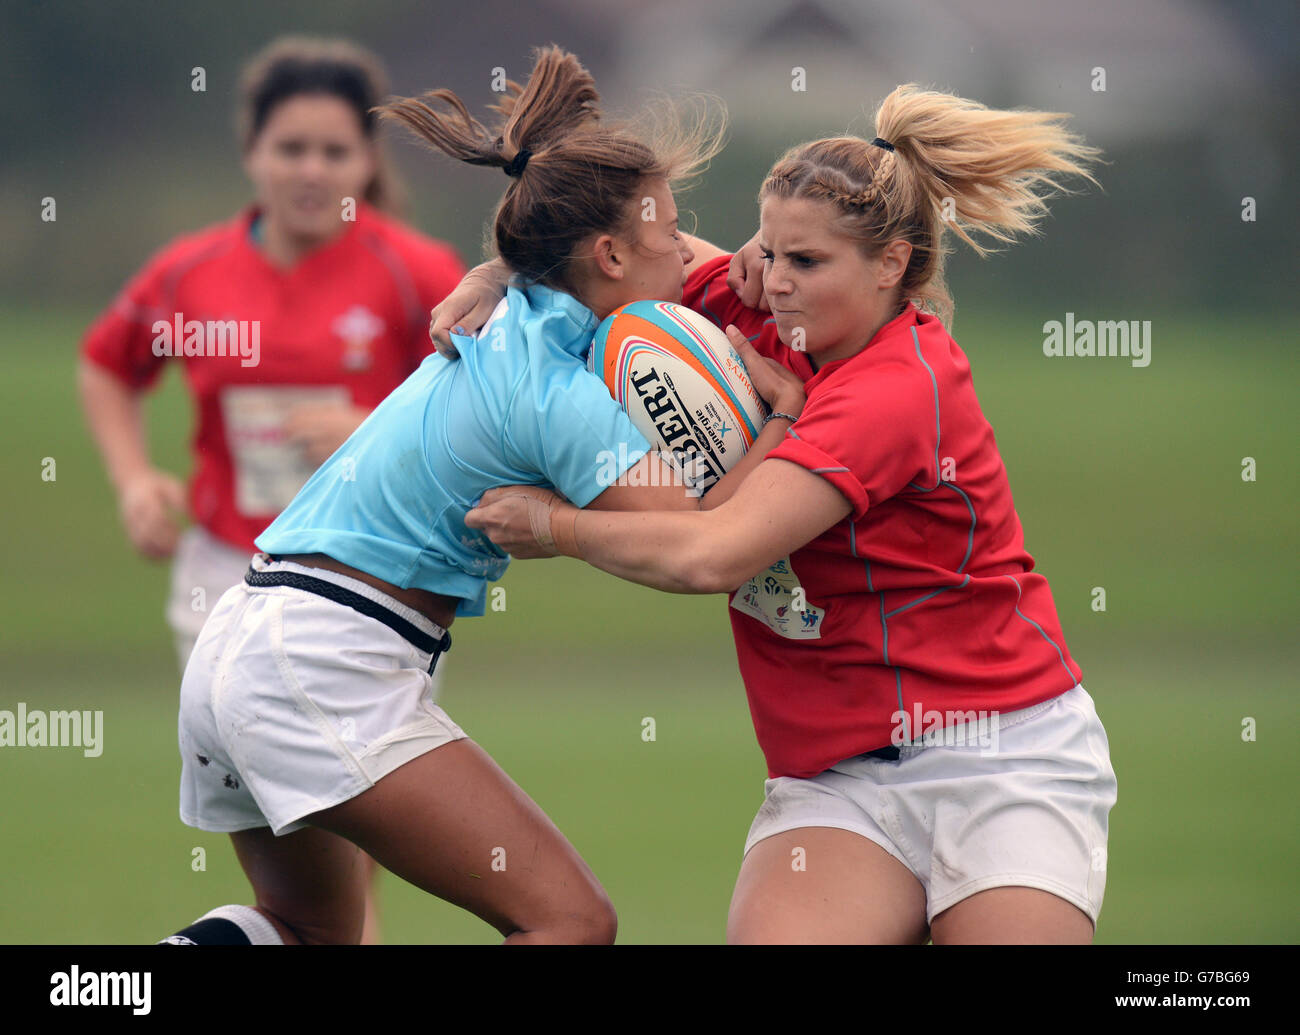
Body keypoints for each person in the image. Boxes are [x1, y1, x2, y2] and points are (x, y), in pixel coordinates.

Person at [156, 46, 803, 946]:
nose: (686, 247)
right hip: (324, 658)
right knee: (571, 921)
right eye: (670, 230)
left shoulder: (519, 308)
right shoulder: (558, 396)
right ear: (610, 253)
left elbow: (575, 268)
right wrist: (782, 420)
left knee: (302, 932)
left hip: (242, 635)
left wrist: (493, 270)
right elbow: (701, 544)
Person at [465, 84, 1119, 944]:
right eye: (766, 251)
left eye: (805, 262)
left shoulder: (896, 385)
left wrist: (555, 527)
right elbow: (611, 251)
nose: (773, 282)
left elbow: (714, 557)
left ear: (891, 265)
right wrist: (500, 272)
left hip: (1001, 756)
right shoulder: (756, 309)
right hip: (837, 779)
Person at [78, 35, 468, 944]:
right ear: (250, 151)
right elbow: (107, 365)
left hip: (377, 582)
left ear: (368, 163)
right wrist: (134, 478)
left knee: (351, 808)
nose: (310, 168)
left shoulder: (418, 273)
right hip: (225, 577)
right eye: (290, 147)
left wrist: (371, 426)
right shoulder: (190, 274)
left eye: (334, 150)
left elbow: (480, 409)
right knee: (285, 814)